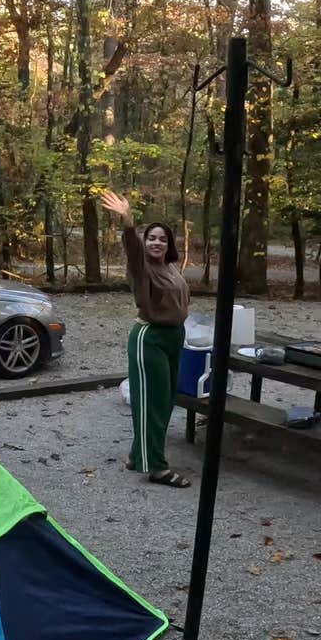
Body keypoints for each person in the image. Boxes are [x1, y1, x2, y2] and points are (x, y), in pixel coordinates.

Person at [100, 190, 193, 487]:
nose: (156, 242)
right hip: (149, 338)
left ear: (169, 245)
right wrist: (128, 220)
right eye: (151, 237)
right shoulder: (141, 268)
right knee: (151, 403)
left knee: (165, 401)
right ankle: (157, 467)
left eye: (162, 239)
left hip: (174, 337)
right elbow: (131, 247)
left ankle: (137, 454)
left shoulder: (171, 268)